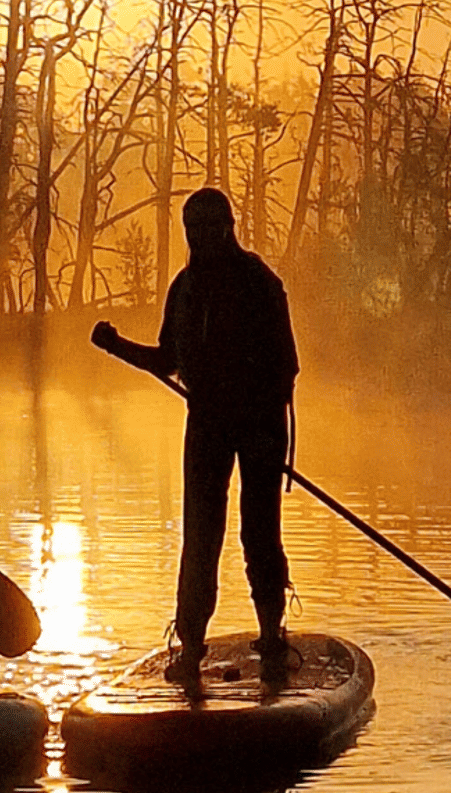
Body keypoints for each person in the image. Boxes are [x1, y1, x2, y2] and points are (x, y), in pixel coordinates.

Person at [93, 187, 299, 683]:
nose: (203, 237)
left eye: (212, 227)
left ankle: (271, 635)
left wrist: (254, 414)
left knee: (259, 531)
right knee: (200, 536)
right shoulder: (185, 288)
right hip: (207, 423)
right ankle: (190, 646)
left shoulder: (260, 283)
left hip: (258, 425)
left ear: (230, 227)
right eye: (194, 229)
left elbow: (286, 367)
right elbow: (169, 360)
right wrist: (117, 347)